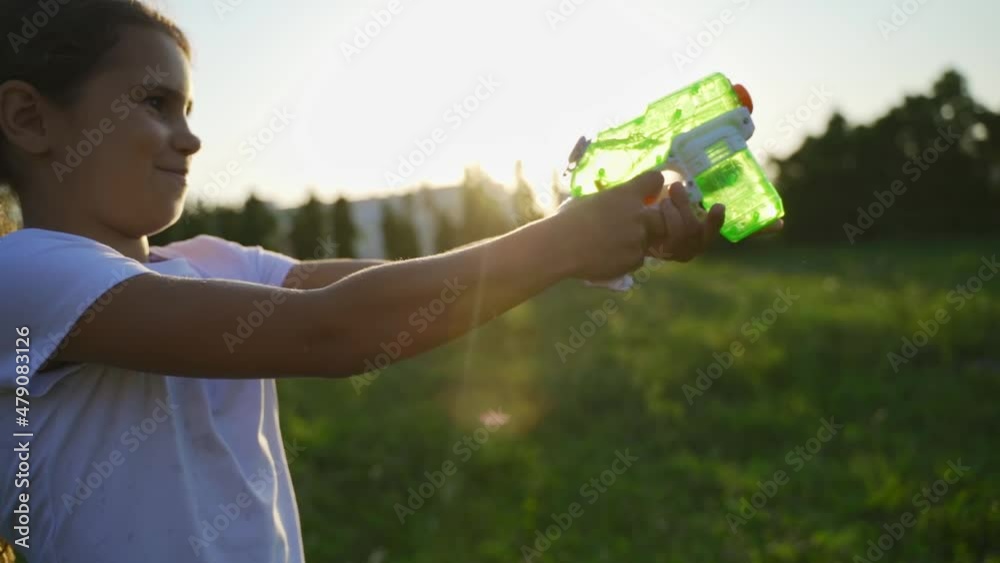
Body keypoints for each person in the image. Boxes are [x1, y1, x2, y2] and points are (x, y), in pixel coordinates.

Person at [0, 1, 774, 561]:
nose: (192, 136)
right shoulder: (23, 273)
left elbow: (407, 287)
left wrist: (590, 240)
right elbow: (334, 329)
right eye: (155, 103)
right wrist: (564, 243)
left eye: (190, 107)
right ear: (32, 120)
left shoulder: (210, 260)